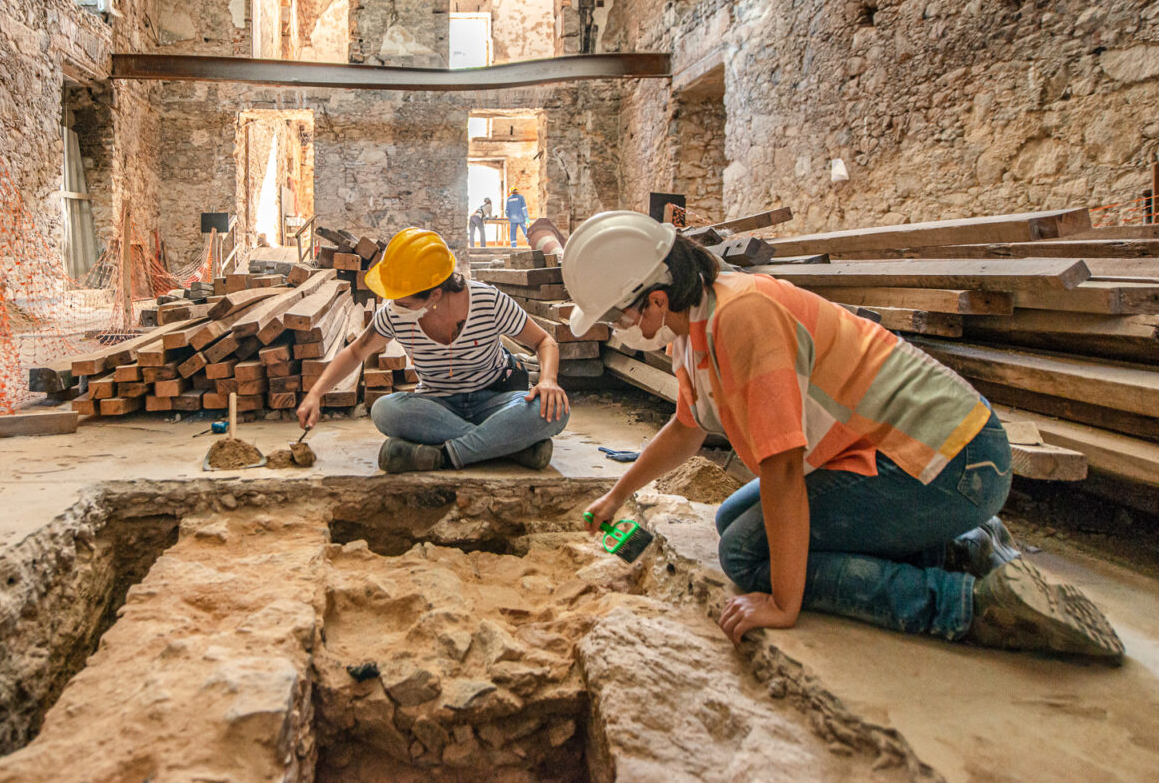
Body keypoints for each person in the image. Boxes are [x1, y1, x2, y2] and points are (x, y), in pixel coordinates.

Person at [565, 209, 1123, 660]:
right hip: (917, 453)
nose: (620, 329)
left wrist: (785, 602)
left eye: (617, 317)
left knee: (745, 554)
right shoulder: (697, 327)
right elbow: (687, 427)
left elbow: (782, 466)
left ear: (655, 300)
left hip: (955, 461)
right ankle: (959, 548)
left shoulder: (743, 317)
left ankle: (970, 605)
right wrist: (618, 494)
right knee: (730, 518)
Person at [297, 227, 570, 473]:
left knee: (556, 410)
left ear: (435, 294)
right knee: (384, 411)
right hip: (437, 407)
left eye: (404, 302)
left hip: (494, 400)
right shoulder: (393, 316)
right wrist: (315, 393)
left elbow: (544, 341)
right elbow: (355, 352)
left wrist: (548, 380)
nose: (395, 307)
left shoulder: (488, 301)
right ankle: (511, 447)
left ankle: (445, 456)